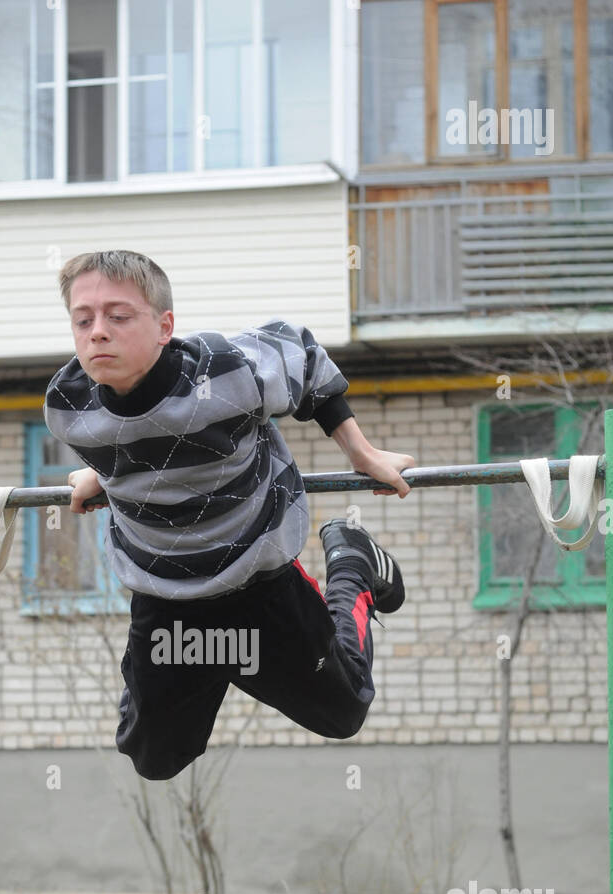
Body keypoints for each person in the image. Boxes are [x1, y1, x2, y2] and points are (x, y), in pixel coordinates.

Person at [44, 250, 414, 781]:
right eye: (84, 320)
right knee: (153, 758)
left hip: (257, 587)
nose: (97, 333)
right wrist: (102, 473)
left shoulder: (226, 369)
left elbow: (305, 358)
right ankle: (213, 664)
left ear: (164, 326)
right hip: (168, 600)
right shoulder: (67, 404)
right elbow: (128, 440)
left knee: (345, 707)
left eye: (118, 316)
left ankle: (352, 563)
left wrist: (364, 456)